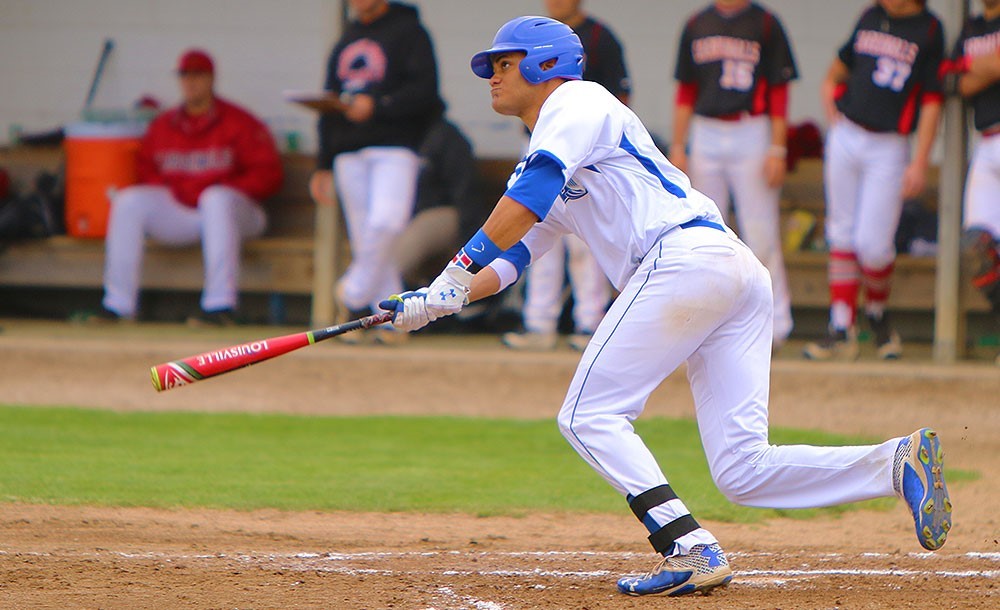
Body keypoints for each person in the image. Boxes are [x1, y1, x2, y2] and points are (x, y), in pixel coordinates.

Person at [379, 16, 952, 597]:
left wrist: (454, 271)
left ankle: (690, 548)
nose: (493, 78)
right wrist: (432, 302)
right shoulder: (554, 147)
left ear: (545, 64)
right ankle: (894, 463)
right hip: (722, 271)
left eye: (504, 64)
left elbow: (525, 196)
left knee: (587, 415)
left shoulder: (576, 102)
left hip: (684, 259)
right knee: (742, 470)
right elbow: (509, 261)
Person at [96, 49, 283, 326]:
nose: (191, 82)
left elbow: (268, 175)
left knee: (215, 198)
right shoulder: (164, 125)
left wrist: (219, 185)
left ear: (211, 78)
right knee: (127, 201)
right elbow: (146, 169)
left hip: (239, 216)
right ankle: (117, 305)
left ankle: (220, 306)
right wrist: (182, 188)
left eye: (198, 75)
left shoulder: (239, 122)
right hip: (186, 213)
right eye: (185, 75)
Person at [805, 0, 945, 361]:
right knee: (841, 231)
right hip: (848, 133)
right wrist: (827, 92)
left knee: (874, 245)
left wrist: (920, 161)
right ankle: (841, 326)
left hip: (890, 143)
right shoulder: (870, 15)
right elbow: (839, 67)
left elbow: (932, 100)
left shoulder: (929, 28)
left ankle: (878, 314)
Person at [309, 0, 444, 344]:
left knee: (387, 222)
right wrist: (323, 163)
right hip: (348, 152)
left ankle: (351, 293)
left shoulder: (410, 32)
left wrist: (379, 105)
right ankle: (390, 320)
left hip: (396, 147)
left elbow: (426, 93)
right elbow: (329, 100)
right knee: (366, 237)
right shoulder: (347, 38)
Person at [671, 0, 798, 350]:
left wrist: (777, 148)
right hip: (706, 130)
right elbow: (685, 90)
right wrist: (679, 144)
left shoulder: (766, 23)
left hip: (751, 129)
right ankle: (707, 325)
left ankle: (776, 324)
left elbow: (779, 91)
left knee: (761, 231)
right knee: (705, 233)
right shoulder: (697, 22)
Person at [501, 0, 627, 351]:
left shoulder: (600, 37)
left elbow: (620, 97)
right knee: (535, 232)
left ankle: (590, 323)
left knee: (583, 243)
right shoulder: (531, 35)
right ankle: (538, 323)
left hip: (586, 150)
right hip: (539, 142)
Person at [941, 0, 1000, 366]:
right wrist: (987, 67)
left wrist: (976, 68)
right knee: (975, 246)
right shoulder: (971, 28)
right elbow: (948, 79)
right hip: (986, 142)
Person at [395, 117, 486, 289]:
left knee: (395, 262)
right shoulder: (387, 134)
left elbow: (466, 192)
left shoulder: (444, 135)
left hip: (439, 211)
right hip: (399, 216)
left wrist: (468, 244)